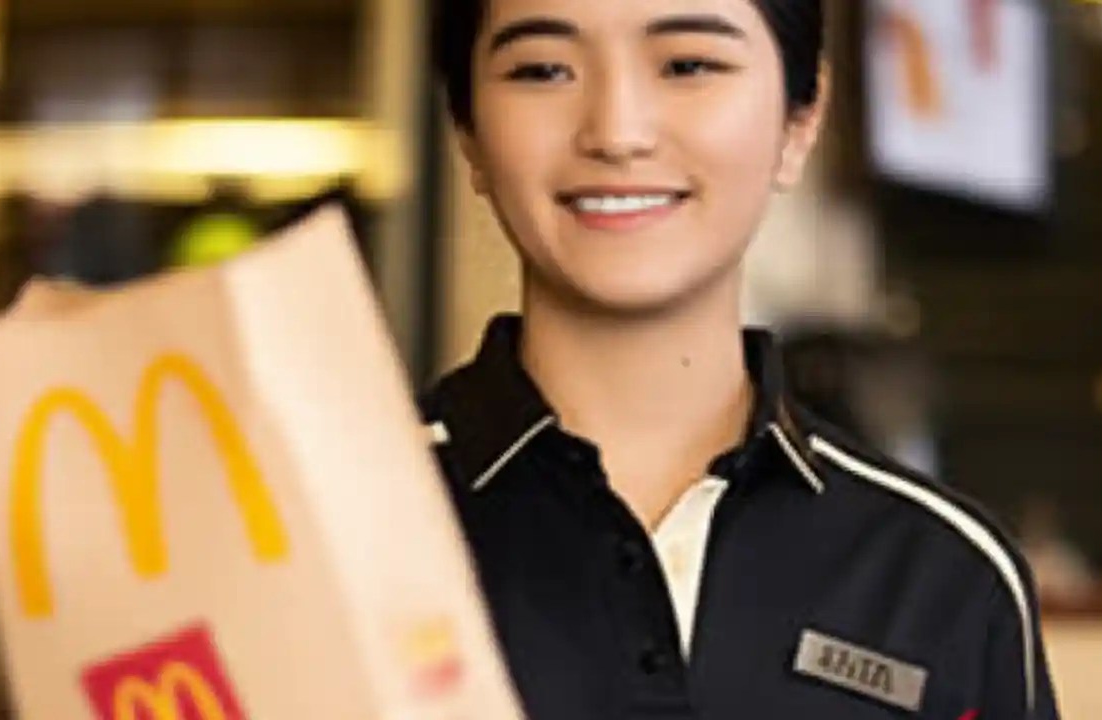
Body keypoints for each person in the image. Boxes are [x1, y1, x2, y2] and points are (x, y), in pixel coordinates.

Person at [418, 1, 1060, 718]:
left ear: (799, 120)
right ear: (467, 130)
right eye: (543, 69)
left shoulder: (944, 579)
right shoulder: (328, 525)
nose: (618, 132)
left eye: (688, 65)